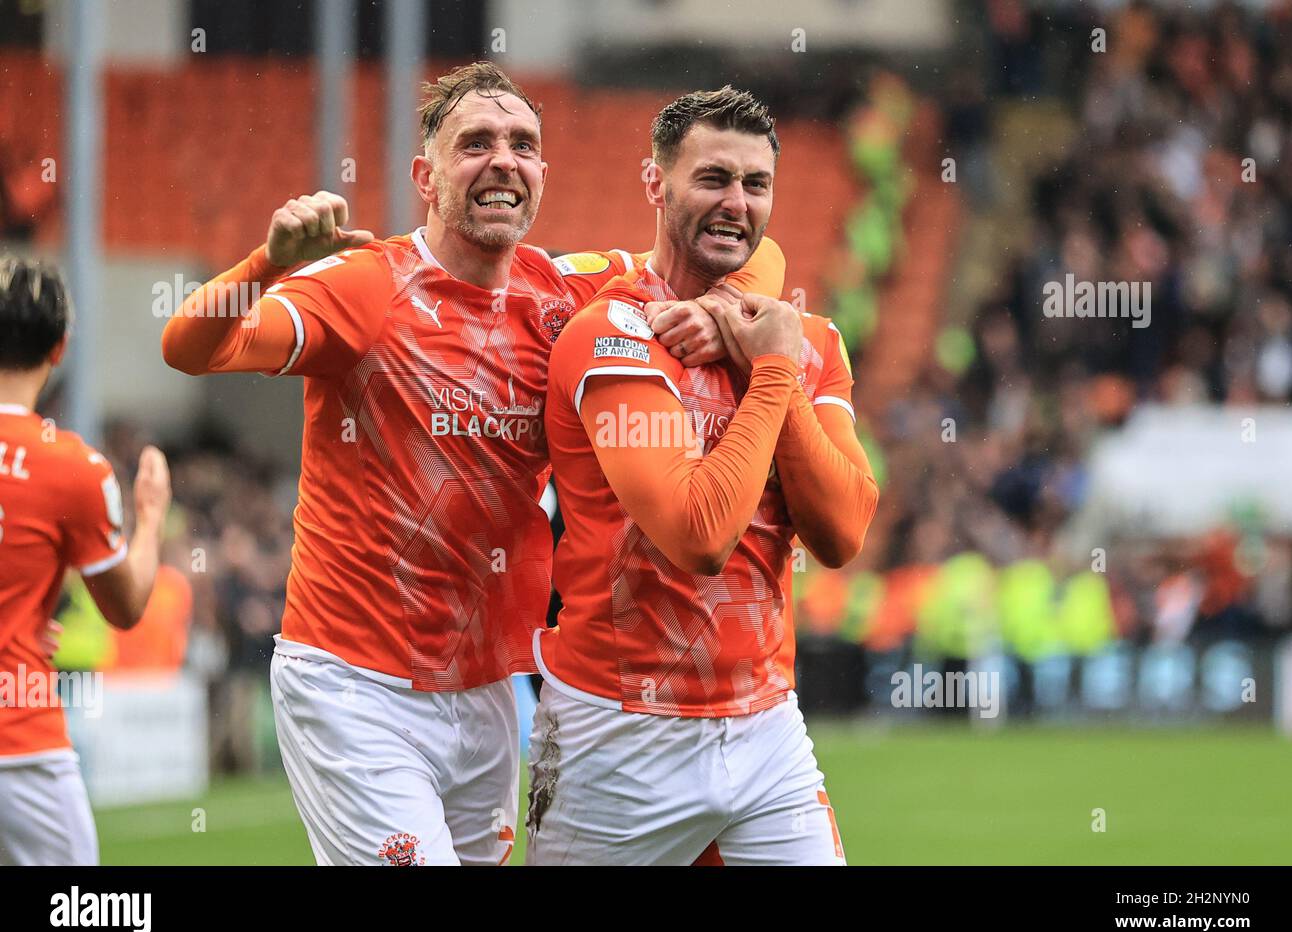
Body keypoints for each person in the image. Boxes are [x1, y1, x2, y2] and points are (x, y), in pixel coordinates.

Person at [161, 63, 784, 866]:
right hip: (355, 684)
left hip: (489, 687)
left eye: (524, 144)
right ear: (426, 176)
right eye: (476, 144)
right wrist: (266, 264)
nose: (504, 160)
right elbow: (189, 346)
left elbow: (745, 255)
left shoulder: (566, 291)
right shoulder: (364, 286)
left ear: (543, 176)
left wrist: (707, 306)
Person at [531, 87, 880, 864]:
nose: (736, 203)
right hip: (617, 735)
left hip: (766, 727)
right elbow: (698, 536)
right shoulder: (613, 334)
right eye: (713, 178)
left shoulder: (809, 339)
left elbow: (844, 531)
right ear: (655, 184)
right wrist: (771, 371)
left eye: (756, 185)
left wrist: (771, 360)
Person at [0, 257, 171, 865]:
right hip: (21, 744)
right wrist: (150, 516)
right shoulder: (73, 468)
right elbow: (126, 607)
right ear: (60, 347)